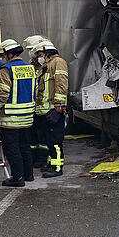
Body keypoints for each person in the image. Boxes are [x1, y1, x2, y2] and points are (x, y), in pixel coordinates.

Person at [0, 39, 37, 187]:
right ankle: (28, 175)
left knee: (12, 148)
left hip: (10, 118)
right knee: (25, 146)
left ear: (9, 54)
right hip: (28, 116)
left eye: (4, 55)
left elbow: (1, 95)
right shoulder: (30, 68)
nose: (3, 58)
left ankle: (17, 178)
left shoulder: (6, 70)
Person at [33, 40, 68, 178]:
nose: (38, 57)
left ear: (46, 52)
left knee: (55, 141)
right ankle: (51, 164)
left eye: (40, 54)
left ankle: (57, 167)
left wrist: (59, 105)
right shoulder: (45, 66)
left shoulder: (58, 62)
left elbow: (61, 84)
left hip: (54, 109)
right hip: (45, 110)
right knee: (48, 140)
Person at [22, 35, 50, 167]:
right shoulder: (31, 66)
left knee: (44, 137)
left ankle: (42, 159)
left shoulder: (47, 66)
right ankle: (33, 159)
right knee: (33, 137)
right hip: (33, 108)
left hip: (45, 108)